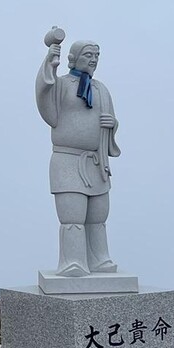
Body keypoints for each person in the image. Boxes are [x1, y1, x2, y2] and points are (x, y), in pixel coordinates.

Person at [36, 28, 120, 276]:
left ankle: (99, 259)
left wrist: (111, 126)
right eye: (88, 55)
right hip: (67, 159)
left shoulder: (101, 89)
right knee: (72, 215)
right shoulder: (61, 85)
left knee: (98, 215)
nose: (93, 59)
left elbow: (111, 121)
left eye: (96, 55)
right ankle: (73, 262)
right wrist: (50, 62)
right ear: (74, 58)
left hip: (95, 161)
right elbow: (44, 92)